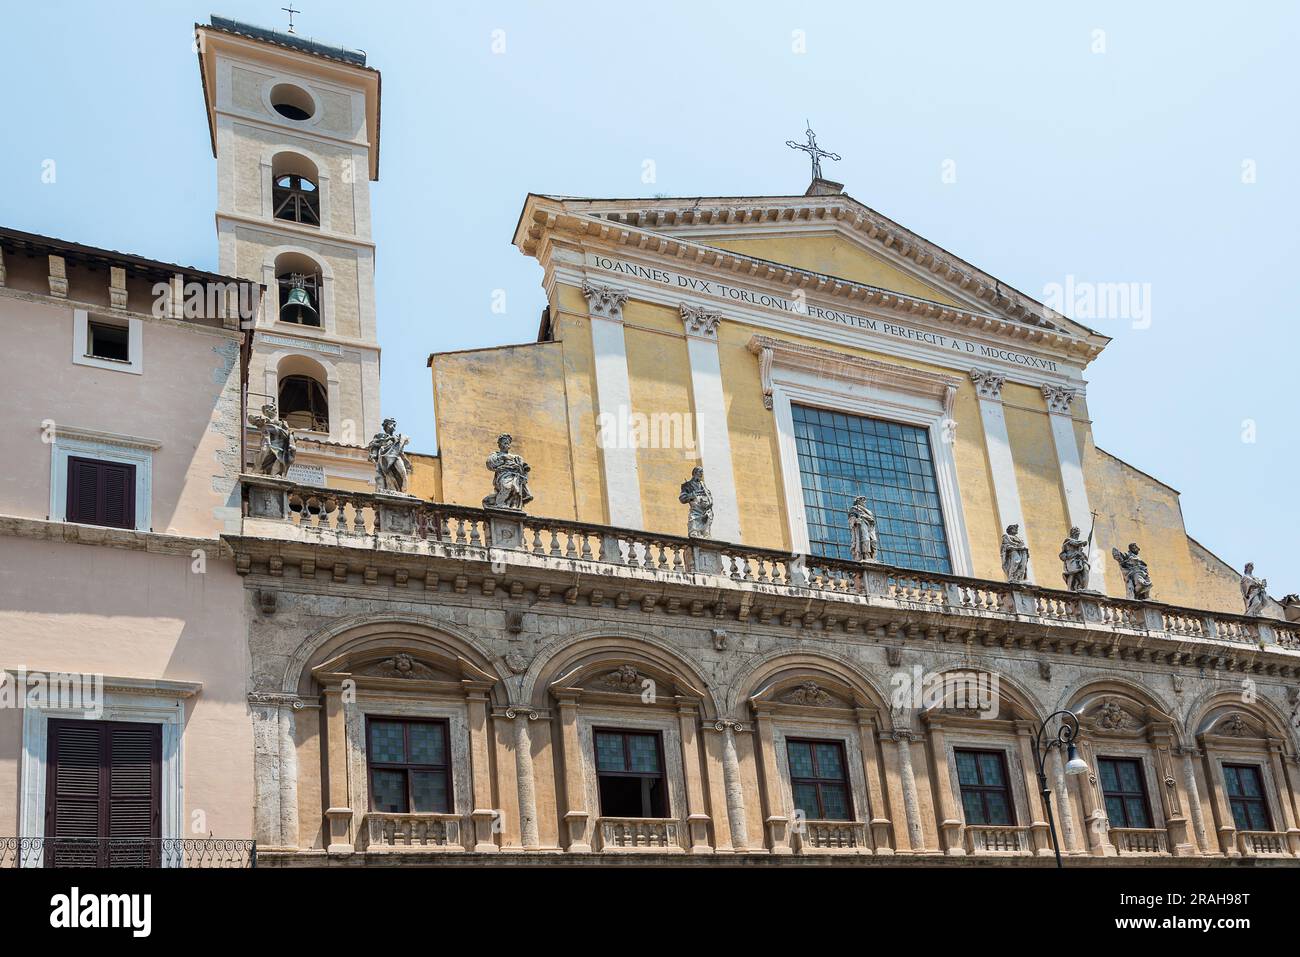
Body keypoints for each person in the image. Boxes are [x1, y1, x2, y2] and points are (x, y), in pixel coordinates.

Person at [482, 433, 533, 510]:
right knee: (507, 487)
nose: (506, 444)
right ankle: (500, 503)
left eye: (507, 443)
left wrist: (523, 466)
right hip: (503, 475)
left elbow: (522, 465)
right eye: (504, 443)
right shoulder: (496, 454)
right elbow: (490, 464)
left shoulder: (515, 456)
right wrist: (502, 459)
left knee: (515, 490)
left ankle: (512, 505)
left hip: (514, 475)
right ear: (499, 444)